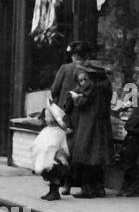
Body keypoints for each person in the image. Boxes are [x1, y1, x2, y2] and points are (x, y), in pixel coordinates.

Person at [66, 61, 115, 198]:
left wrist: (76, 98)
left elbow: (82, 102)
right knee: (97, 159)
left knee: (85, 156)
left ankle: (87, 189)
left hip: (89, 124)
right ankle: (99, 188)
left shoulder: (91, 84)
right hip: (103, 124)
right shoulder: (106, 83)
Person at [49, 40, 92, 195]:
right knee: (76, 149)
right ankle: (80, 184)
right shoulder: (89, 70)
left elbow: (54, 90)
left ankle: (65, 184)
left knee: (64, 149)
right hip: (82, 115)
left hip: (65, 114)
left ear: (73, 56)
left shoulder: (65, 69)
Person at [33, 102, 71, 201]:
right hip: (46, 158)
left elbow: (61, 146)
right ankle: (51, 191)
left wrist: (58, 154)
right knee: (48, 175)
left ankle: (54, 192)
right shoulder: (47, 130)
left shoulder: (59, 132)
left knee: (54, 176)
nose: (45, 119)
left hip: (55, 159)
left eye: (47, 117)